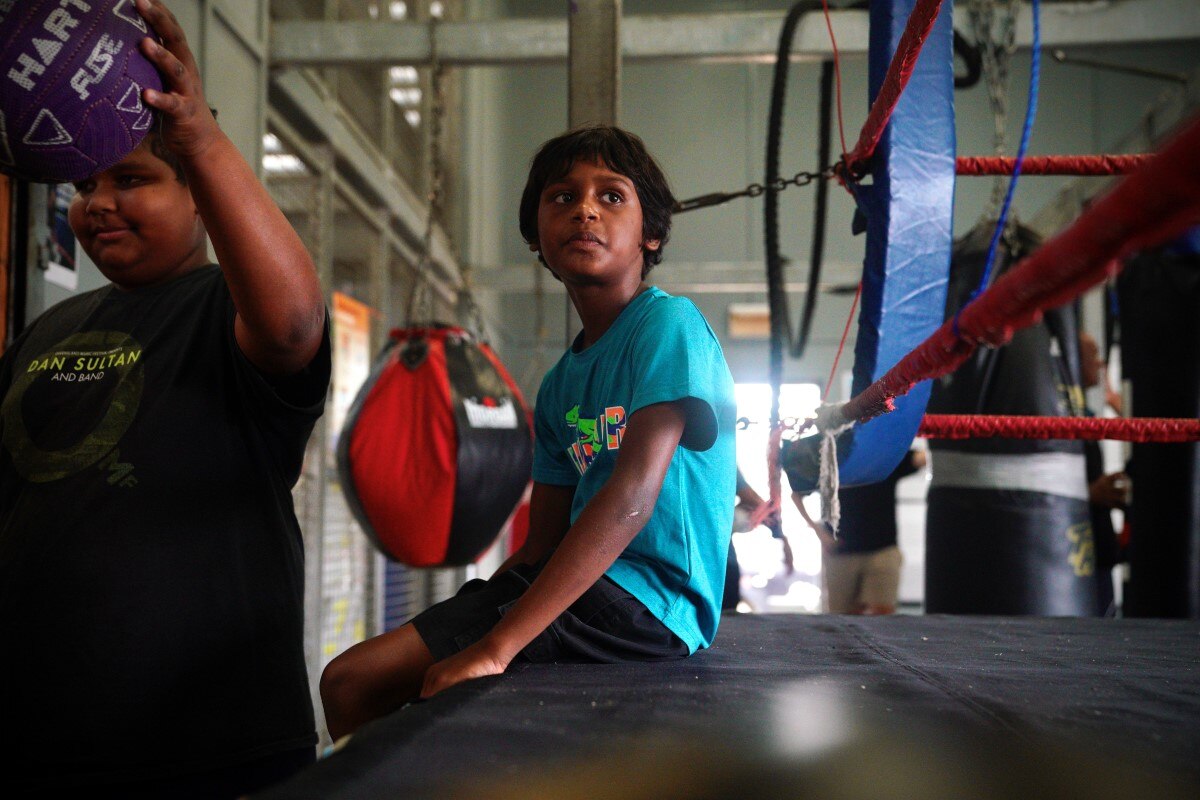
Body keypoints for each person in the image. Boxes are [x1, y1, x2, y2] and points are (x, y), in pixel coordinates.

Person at [0, 1, 329, 795]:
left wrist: (200, 139)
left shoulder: (227, 311)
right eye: (85, 184)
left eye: (132, 179)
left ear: (198, 198)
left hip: (210, 749)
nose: (96, 203)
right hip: (41, 741)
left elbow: (292, 325)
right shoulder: (47, 332)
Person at [319, 125, 736, 740]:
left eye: (611, 196)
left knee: (397, 690)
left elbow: (631, 499)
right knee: (352, 681)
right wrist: (475, 610)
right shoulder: (562, 385)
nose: (585, 209)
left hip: (652, 600)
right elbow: (541, 544)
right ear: (537, 237)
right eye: (563, 196)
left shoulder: (668, 326)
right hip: (587, 584)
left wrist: (494, 648)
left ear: (651, 233)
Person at [800, 449, 926, 615]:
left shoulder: (883, 454)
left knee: (881, 615)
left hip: (881, 550)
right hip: (842, 552)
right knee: (841, 617)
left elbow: (919, 458)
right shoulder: (829, 454)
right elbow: (797, 492)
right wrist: (819, 532)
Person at [1078, 332, 1128, 615]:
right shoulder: (1056, 414)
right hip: (1074, 555)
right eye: (1093, 355)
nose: (1100, 363)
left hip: (1099, 549)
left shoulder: (1084, 415)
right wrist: (1090, 494)